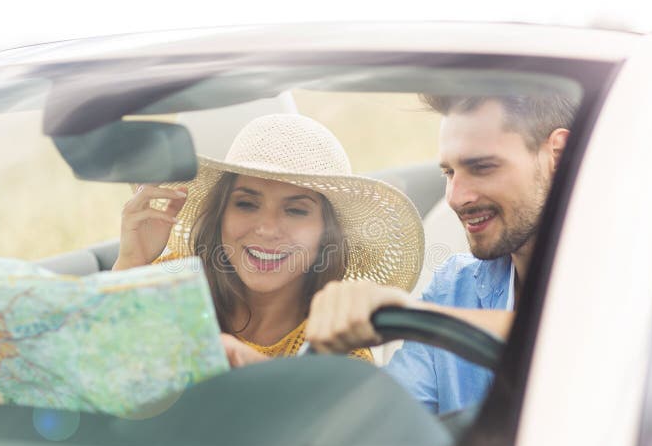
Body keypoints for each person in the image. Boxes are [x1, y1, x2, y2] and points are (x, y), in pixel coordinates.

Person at [303, 94, 652, 414]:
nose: (456, 197)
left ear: (559, 157)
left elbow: (623, 347)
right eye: (449, 172)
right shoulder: (453, 287)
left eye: (482, 167)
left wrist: (425, 319)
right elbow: (387, 422)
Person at [113, 113, 425, 366]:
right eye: (246, 204)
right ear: (221, 214)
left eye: (296, 210)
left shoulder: (340, 352)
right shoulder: (174, 285)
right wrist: (131, 262)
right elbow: (101, 372)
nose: (267, 229)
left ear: (326, 233)